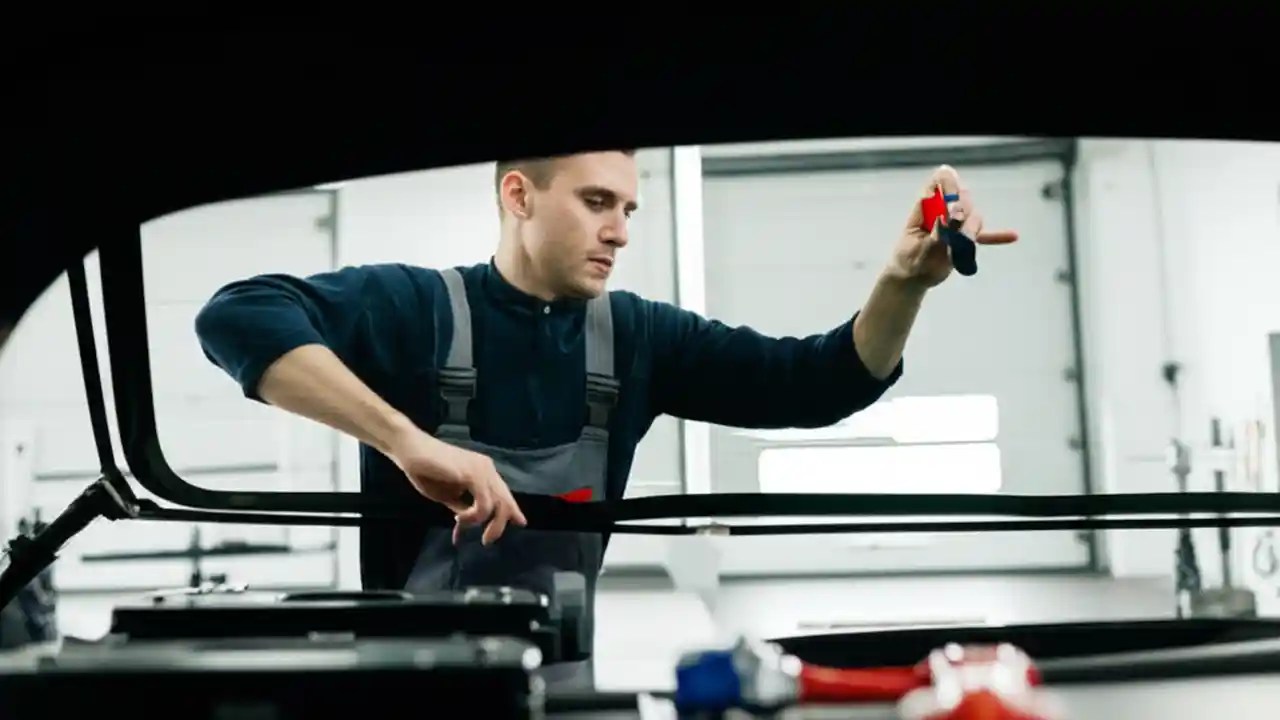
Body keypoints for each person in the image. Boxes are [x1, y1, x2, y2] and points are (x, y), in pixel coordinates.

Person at [193, 150, 1015, 661]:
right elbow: (235, 316)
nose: (620, 230)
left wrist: (903, 281)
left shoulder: (639, 338)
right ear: (518, 195)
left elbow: (816, 383)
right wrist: (406, 440)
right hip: (412, 684)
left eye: (627, 208)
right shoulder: (414, 309)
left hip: (565, 675)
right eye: (596, 202)